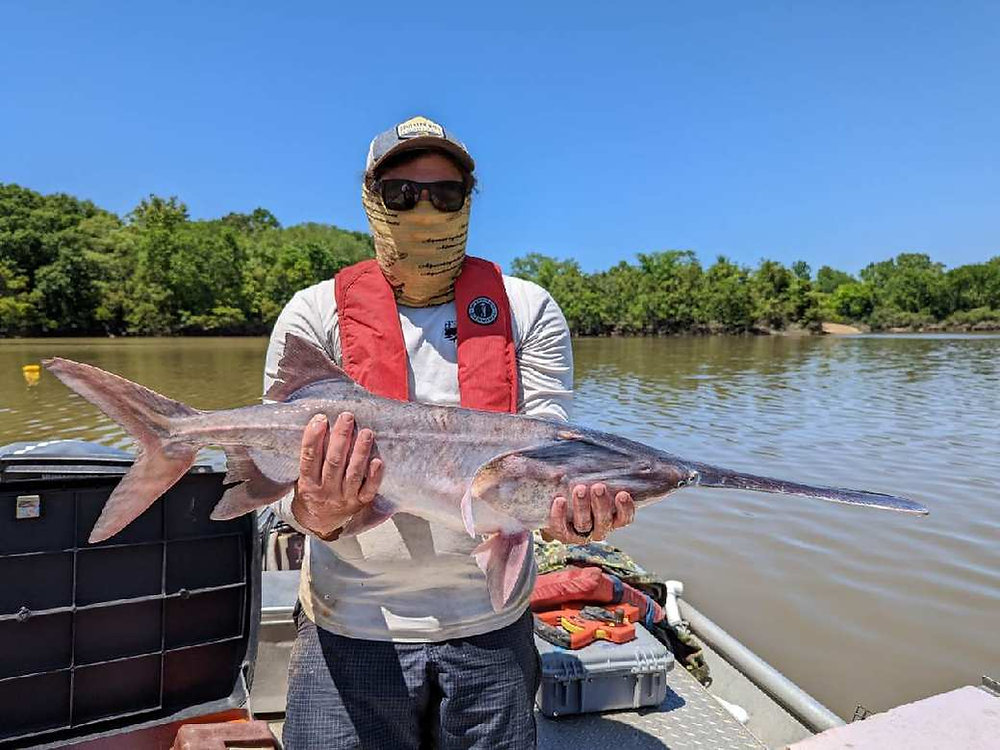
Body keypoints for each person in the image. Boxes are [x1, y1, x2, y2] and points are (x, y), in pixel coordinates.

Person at [265, 115, 636, 749]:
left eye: (446, 194)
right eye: (403, 195)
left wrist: (572, 514)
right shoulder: (313, 312)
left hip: (491, 626)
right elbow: (280, 490)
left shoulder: (526, 307)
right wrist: (318, 510)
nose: (426, 211)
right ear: (371, 201)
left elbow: (548, 455)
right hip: (351, 624)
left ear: (469, 201)